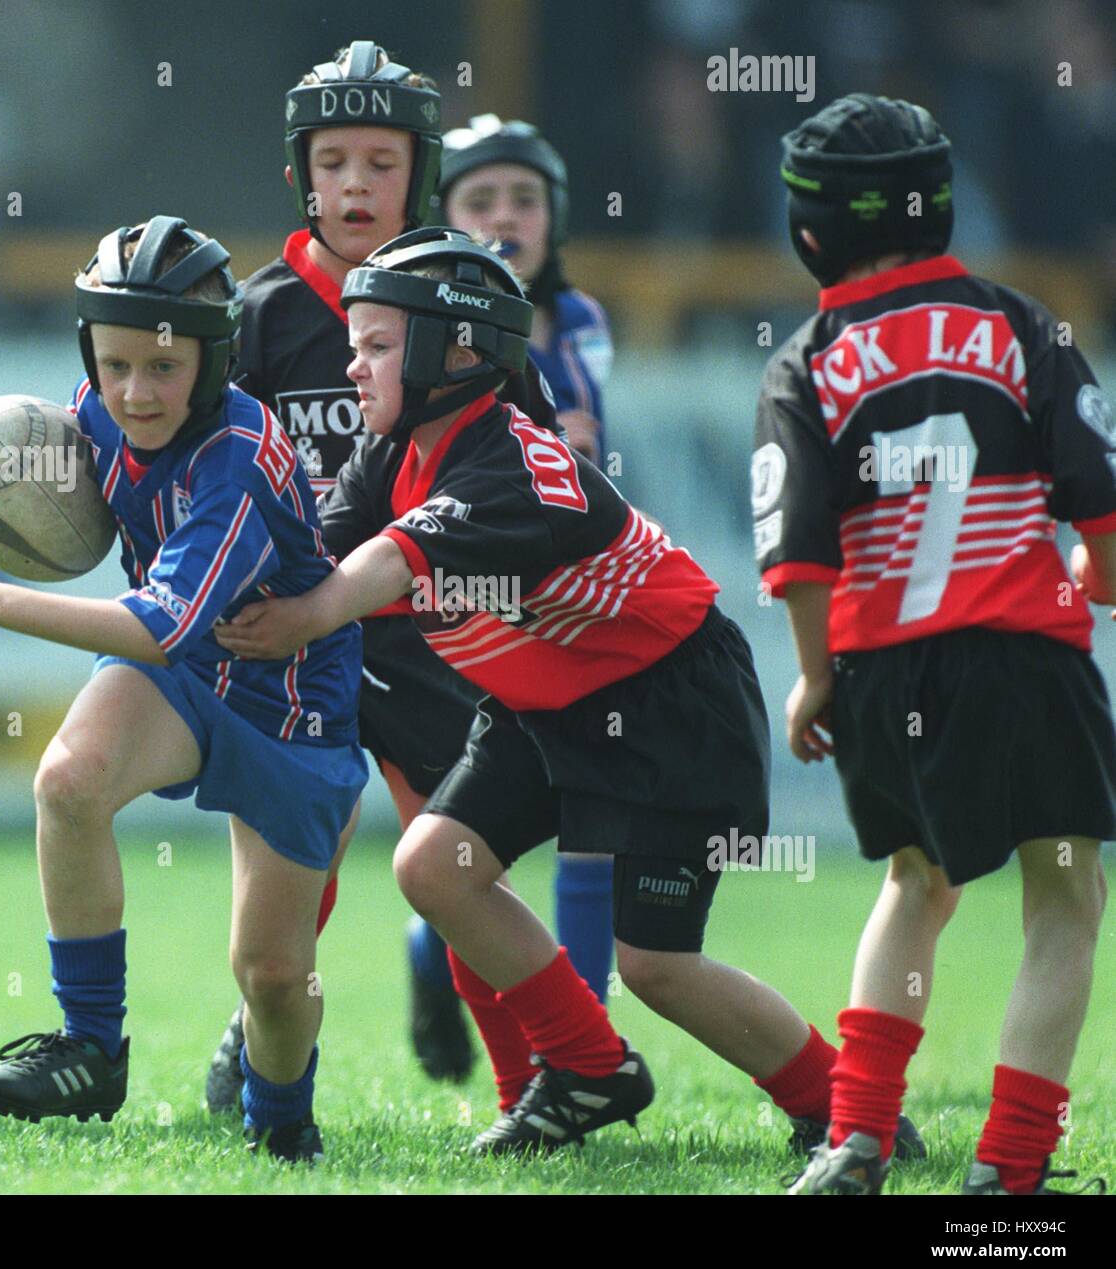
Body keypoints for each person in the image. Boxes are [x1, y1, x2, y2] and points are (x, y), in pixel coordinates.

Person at [214, 227, 917, 1158]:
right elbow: (303, 548)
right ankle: (590, 1066)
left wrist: (301, 619)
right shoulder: (394, 452)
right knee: (434, 865)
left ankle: (838, 1105)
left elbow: (380, 564)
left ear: (457, 350)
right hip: (546, 703)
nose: (352, 367)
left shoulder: (509, 458)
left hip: (672, 702)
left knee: (658, 964)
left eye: (377, 344)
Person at [0, 215, 368, 1163]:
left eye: (162, 368)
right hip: (188, 676)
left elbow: (157, 621)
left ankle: (283, 1117)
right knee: (68, 781)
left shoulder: (237, 456)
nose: (133, 390)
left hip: (293, 709)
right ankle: (90, 1048)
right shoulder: (94, 408)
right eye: (114, 364)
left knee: (274, 975)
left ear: (214, 357)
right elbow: (66, 496)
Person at [199, 41, 571, 1119]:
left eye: (379, 160)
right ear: (298, 177)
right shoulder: (254, 319)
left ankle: (533, 1093)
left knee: (457, 881)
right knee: (290, 904)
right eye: (331, 161)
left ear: (419, 172)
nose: (355, 184)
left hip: (428, 635)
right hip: (288, 644)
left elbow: (533, 457)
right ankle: (264, 1055)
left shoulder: (466, 301)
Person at [755, 94, 1116, 1196]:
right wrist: (1090, 582)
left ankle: (855, 1139)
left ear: (807, 232)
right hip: (1021, 653)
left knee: (915, 885)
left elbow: (799, 555)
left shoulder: (804, 361)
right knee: (1064, 893)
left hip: (881, 668)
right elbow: (1101, 512)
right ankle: (1009, 1169)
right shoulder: (1021, 324)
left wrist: (817, 677)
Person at [395, 113, 618, 1119]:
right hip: (468, 615)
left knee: (582, 828)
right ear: (443, 219)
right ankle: (553, 1032)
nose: (502, 218)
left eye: (523, 199)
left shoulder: (576, 324)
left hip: (560, 606)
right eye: (478, 201)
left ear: (554, 218)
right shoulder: (426, 340)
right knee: (490, 834)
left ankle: (578, 1042)